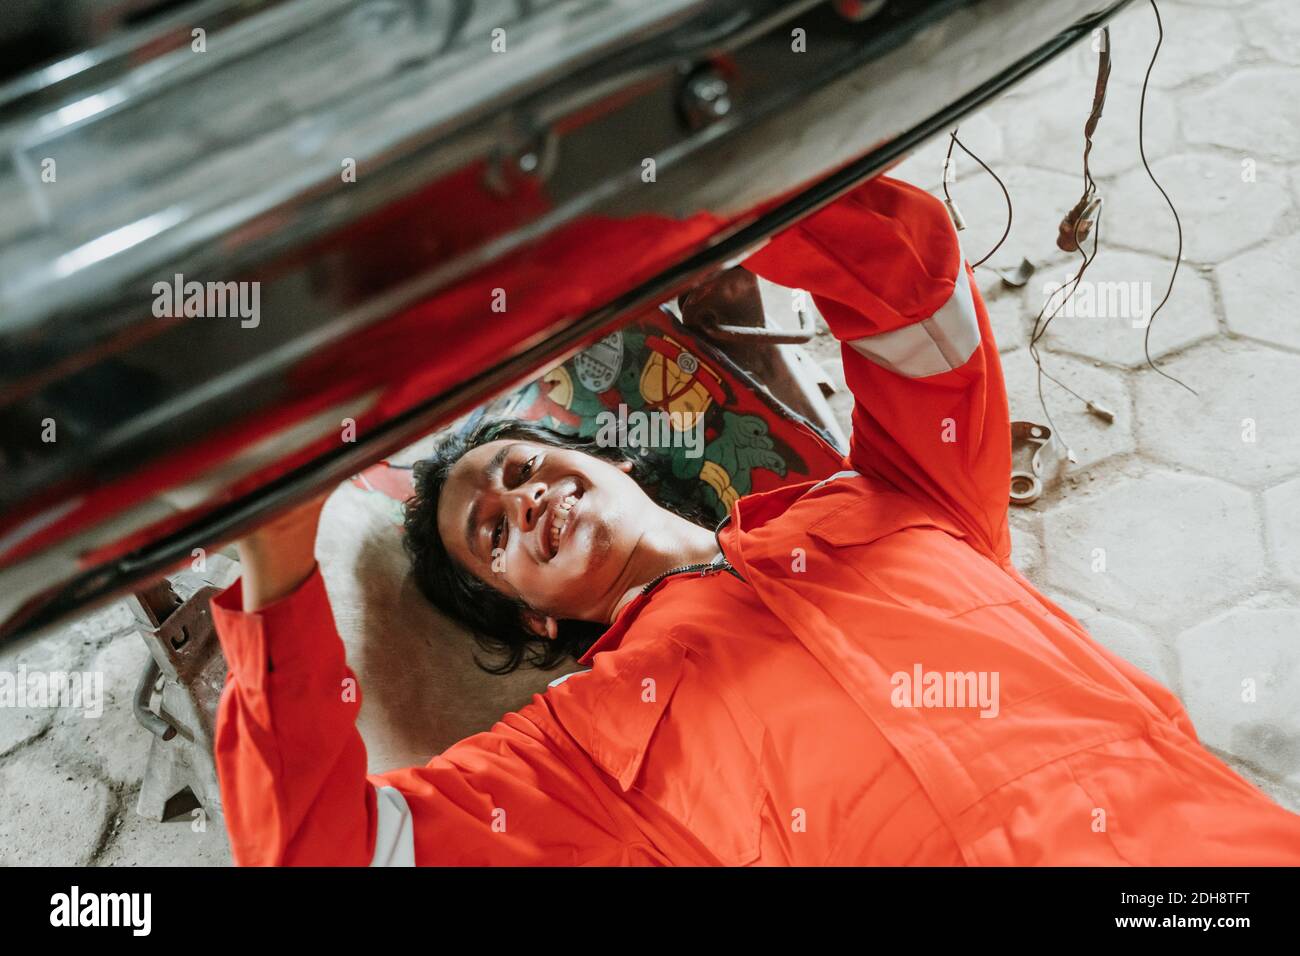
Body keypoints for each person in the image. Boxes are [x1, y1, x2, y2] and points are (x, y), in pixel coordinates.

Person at [212, 174, 1300, 866]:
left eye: (520, 465)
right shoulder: (572, 766)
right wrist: (275, 563)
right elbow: (321, 852)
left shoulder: (892, 497)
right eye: (490, 533)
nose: (521, 499)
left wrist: (701, 200)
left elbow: (913, 292)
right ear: (533, 622)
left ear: (611, 463)